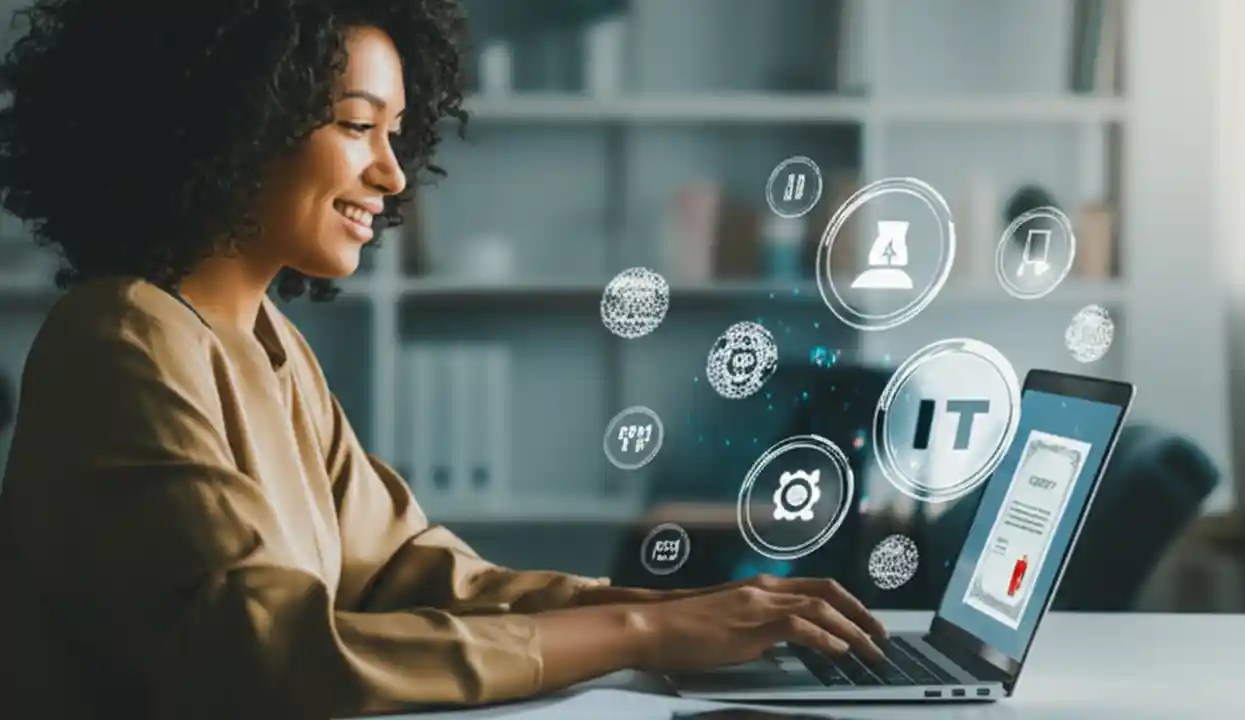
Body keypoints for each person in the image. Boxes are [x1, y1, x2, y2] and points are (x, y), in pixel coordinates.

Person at [0, 2, 886, 718]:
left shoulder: (269, 346)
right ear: (233, 121)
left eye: (397, 134)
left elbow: (407, 574)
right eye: (357, 125)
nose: (392, 175)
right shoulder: (121, 343)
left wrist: (677, 613)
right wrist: (637, 635)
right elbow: (271, 659)